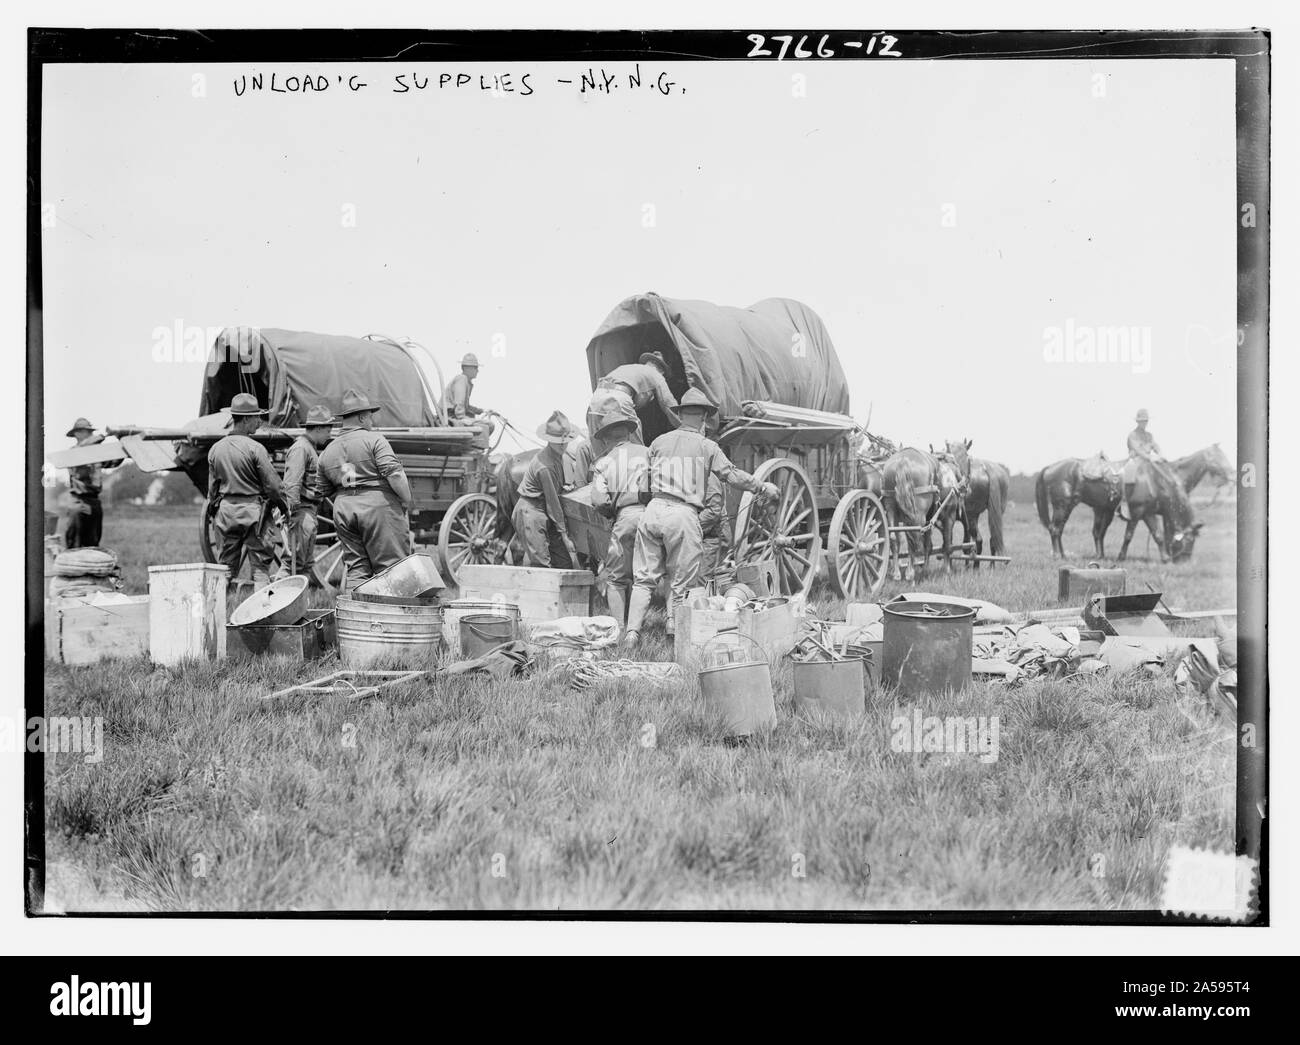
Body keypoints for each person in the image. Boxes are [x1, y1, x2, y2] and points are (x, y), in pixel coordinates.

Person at [624, 388, 779, 649]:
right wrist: (761, 487)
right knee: (683, 580)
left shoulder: (658, 442)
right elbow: (732, 475)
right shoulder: (707, 446)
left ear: (682, 415)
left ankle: (631, 635)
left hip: (653, 510)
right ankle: (676, 636)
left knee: (643, 579)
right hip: (683, 514)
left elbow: (642, 487)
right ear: (704, 419)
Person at [314, 390, 413, 589]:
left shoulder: (327, 451)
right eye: (370, 417)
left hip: (343, 509)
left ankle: (355, 616)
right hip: (377, 507)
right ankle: (392, 616)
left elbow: (322, 490)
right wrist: (405, 499)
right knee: (393, 568)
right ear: (361, 417)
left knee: (356, 569)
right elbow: (394, 475)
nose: (371, 421)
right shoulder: (375, 440)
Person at [207, 393, 288, 588]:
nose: (259, 421)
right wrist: (284, 508)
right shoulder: (256, 448)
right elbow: (273, 486)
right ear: (245, 419)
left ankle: (217, 615)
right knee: (260, 570)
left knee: (225, 569)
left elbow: (212, 490)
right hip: (253, 513)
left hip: (226, 513)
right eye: (255, 417)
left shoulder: (215, 449)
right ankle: (262, 615)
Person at [588, 407, 650, 626]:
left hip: (625, 518)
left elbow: (599, 501)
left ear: (606, 439)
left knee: (616, 578)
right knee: (647, 577)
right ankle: (639, 629)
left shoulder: (603, 462)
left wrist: (611, 512)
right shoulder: (648, 452)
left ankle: (619, 629)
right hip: (652, 516)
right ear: (628, 433)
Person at [512, 411, 579, 568]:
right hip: (532, 512)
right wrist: (565, 536)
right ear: (549, 440)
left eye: (566, 441)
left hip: (545, 512)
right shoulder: (545, 466)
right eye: (558, 442)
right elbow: (553, 503)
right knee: (541, 565)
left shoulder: (558, 456)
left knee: (564, 563)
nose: (563, 445)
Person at [273, 404, 333, 580]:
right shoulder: (301, 448)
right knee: (292, 564)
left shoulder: (309, 447)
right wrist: (290, 514)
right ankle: (275, 601)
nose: (330, 433)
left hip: (308, 513)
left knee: (304, 564)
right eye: (328, 429)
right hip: (301, 514)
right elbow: (292, 484)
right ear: (319, 428)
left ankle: (300, 604)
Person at [596, 351, 681, 432]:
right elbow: (668, 402)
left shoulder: (628, 367)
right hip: (619, 399)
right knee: (632, 442)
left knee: (601, 441)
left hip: (596, 398)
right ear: (662, 371)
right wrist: (683, 426)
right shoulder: (656, 374)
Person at [63, 417, 104, 548]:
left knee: (92, 543)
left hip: (94, 501)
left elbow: (113, 461)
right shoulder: (73, 452)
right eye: (86, 432)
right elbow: (84, 450)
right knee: (75, 543)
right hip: (79, 501)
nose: (90, 435)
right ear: (77, 433)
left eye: (90, 432)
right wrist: (100, 437)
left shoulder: (97, 452)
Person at [1123, 408, 1172, 499]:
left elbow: (1155, 446)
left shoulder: (1149, 435)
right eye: (1142, 421)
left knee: (1163, 468)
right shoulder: (1132, 435)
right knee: (1130, 475)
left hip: (1148, 459)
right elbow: (1138, 450)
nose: (1144, 423)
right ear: (1138, 422)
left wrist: (1160, 455)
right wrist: (1150, 458)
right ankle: (1126, 499)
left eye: (1145, 421)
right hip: (1136, 460)